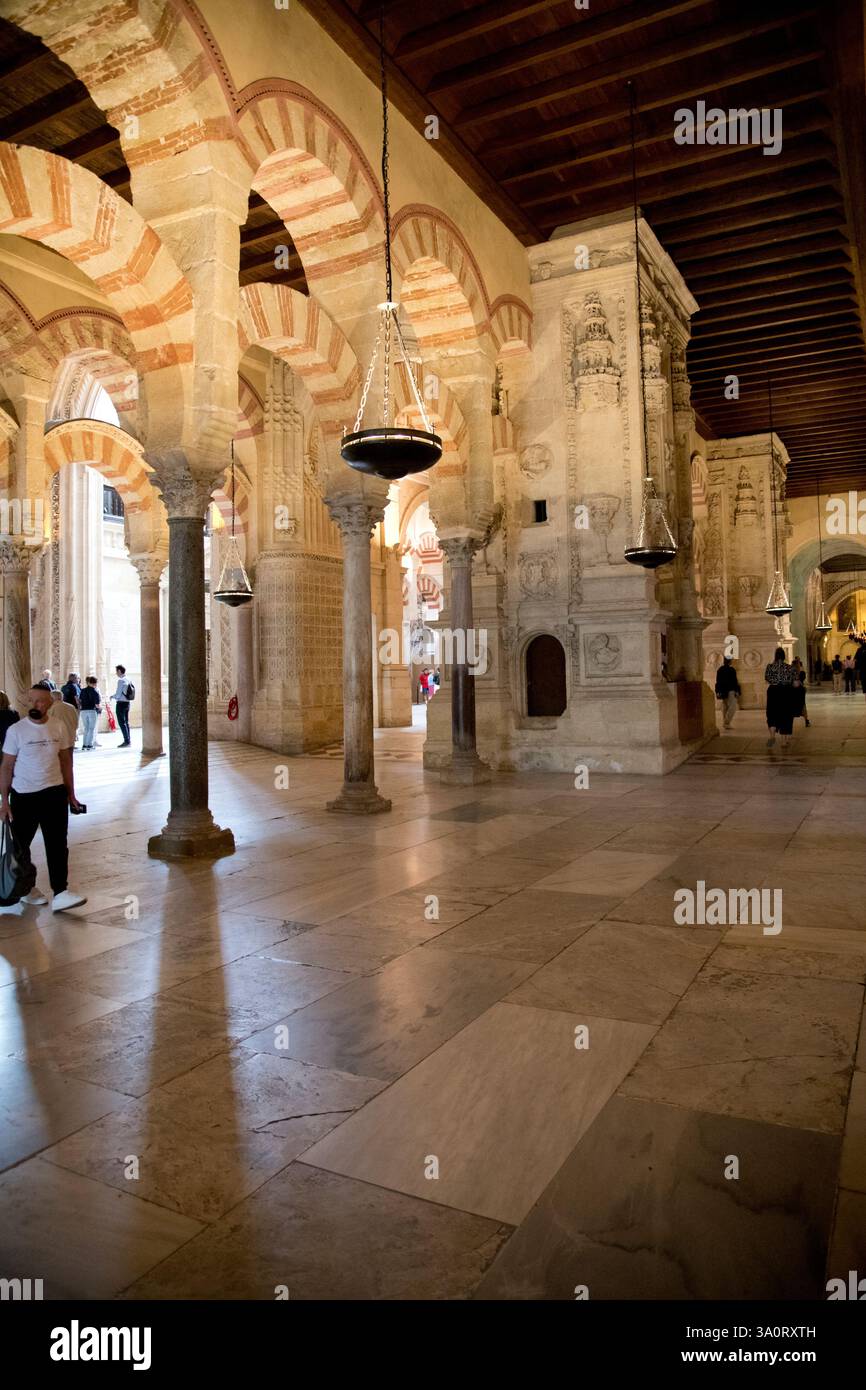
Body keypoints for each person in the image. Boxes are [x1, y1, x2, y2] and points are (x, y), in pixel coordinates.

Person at [0, 682, 86, 912]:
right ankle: (26, 889)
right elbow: (7, 766)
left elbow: (66, 761)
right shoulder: (16, 730)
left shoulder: (58, 726)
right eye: (31, 700)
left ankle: (61, 892)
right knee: (21, 846)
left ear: (49, 704)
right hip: (24, 796)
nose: (34, 705)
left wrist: (71, 794)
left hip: (54, 793)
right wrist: (4, 801)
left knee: (58, 844)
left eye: (40, 701)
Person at [765, 646, 794, 751]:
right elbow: (794, 681)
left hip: (773, 691)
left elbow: (767, 679)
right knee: (785, 715)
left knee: (772, 714)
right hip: (785, 692)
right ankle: (784, 741)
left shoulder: (770, 666)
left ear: (775, 656)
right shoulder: (789, 668)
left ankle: (772, 736)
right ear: (784, 656)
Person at [714, 656, 741, 730]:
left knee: (725, 706)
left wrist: (718, 691)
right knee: (733, 707)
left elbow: (718, 682)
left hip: (723, 690)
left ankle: (726, 723)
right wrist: (737, 691)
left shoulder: (720, 669)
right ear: (730, 661)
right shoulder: (732, 669)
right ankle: (726, 722)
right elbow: (735, 681)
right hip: (730, 690)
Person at [111, 664, 133, 747]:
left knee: (121, 722)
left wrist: (112, 696)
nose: (116, 673)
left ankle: (126, 741)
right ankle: (128, 740)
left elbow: (118, 694)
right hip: (127, 703)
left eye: (116, 671)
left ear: (119, 671)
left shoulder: (121, 680)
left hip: (121, 703)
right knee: (126, 722)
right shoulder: (128, 679)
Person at [79, 676, 102, 750]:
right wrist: (100, 708)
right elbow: (97, 704)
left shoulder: (82, 690)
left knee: (86, 728)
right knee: (91, 728)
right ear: (95, 683)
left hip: (83, 711)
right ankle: (90, 744)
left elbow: (80, 700)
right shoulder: (95, 692)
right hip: (91, 711)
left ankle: (84, 744)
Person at [790, 657, 810, 728]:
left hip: (793, 691)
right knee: (802, 705)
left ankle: (790, 722)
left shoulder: (791, 671)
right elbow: (798, 682)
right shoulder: (800, 672)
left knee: (792, 706)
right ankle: (806, 721)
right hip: (799, 690)